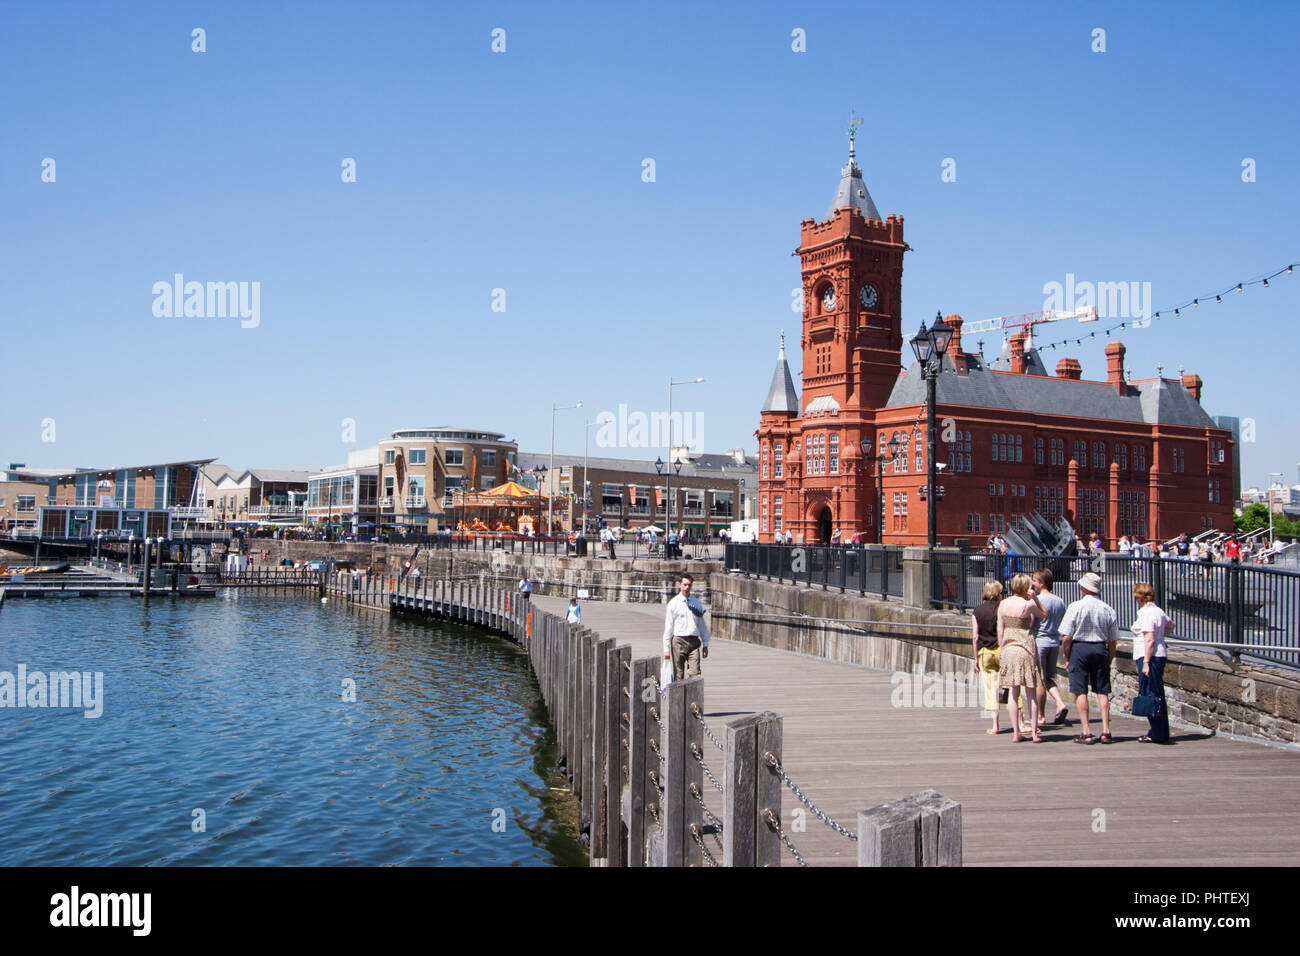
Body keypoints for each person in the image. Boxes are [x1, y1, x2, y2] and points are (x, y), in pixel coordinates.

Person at [1059, 571, 1121, 744]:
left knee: (1080, 690)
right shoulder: (1108, 609)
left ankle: (1086, 730)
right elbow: (1113, 639)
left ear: (1083, 588)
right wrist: (1108, 658)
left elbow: (1066, 637)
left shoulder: (1075, 606)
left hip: (1080, 647)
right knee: (1102, 690)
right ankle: (1106, 730)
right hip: (1100, 647)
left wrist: (1067, 656)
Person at [998, 573, 1047, 742]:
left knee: (1013, 690)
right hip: (1026, 647)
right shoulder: (1028, 604)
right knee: (1031, 691)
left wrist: (1002, 651)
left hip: (1009, 648)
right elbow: (1043, 614)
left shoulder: (1003, 604)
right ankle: (1034, 733)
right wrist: (1036, 599)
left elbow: (1000, 630)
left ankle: (1016, 732)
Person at [1131, 582, 1172, 743]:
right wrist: (1162, 636)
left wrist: (1146, 662)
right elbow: (1170, 625)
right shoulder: (1158, 611)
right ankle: (1160, 730)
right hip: (1160, 654)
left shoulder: (1147, 614)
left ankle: (1157, 732)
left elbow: (1149, 640)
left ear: (1138, 598)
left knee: (1150, 693)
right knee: (1157, 692)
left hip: (1149, 656)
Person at [1031, 568, 1070, 727]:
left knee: (1040, 680)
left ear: (1041, 583)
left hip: (1040, 641)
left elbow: (1033, 622)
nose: (1032, 583)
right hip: (1055, 641)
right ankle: (1060, 703)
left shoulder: (1037, 600)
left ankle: (1041, 715)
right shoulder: (1059, 601)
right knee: (1048, 678)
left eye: (1034, 580)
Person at [971, 581, 1005, 735]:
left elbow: (975, 636)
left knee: (990, 689)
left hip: (984, 652)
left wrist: (975, 659)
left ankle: (995, 724)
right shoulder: (1001, 608)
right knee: (1011, 687)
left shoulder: (977, 610)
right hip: (1000, 650)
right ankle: (1021, 721)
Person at [662, 572, 710, 680]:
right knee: (678, 674)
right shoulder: (673, 604)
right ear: (679, 584)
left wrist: (705, 643)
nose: (687, 587)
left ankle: (693, 697)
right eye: (685, 584)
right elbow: (668, 627)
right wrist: (666, 649)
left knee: (695, 674)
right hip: (678, 640)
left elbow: (701, 624)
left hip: (694, 641)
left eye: (689, 585)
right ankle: (678, 697)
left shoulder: (696, 602)